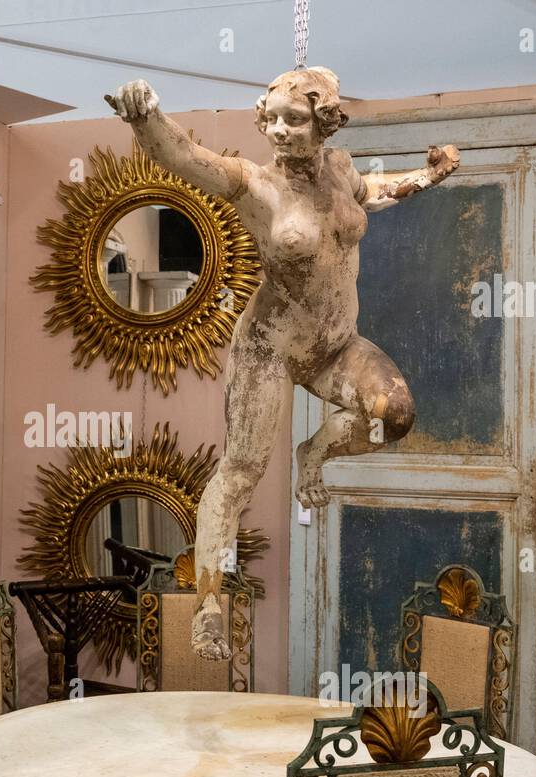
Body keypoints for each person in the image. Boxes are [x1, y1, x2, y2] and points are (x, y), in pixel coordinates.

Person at [107, 68, 460, 660]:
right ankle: (211, 602)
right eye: (269, 118)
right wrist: (145, 118)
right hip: (268, 347)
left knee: (393, 414)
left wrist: (429, 175)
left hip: (336, 345)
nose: (277, 130)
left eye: (293, 119)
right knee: (241, 471)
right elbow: (185, 157)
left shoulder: (340, 169)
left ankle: (313, 454)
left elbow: (372, 192)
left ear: (324, 121)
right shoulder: (254, 185)